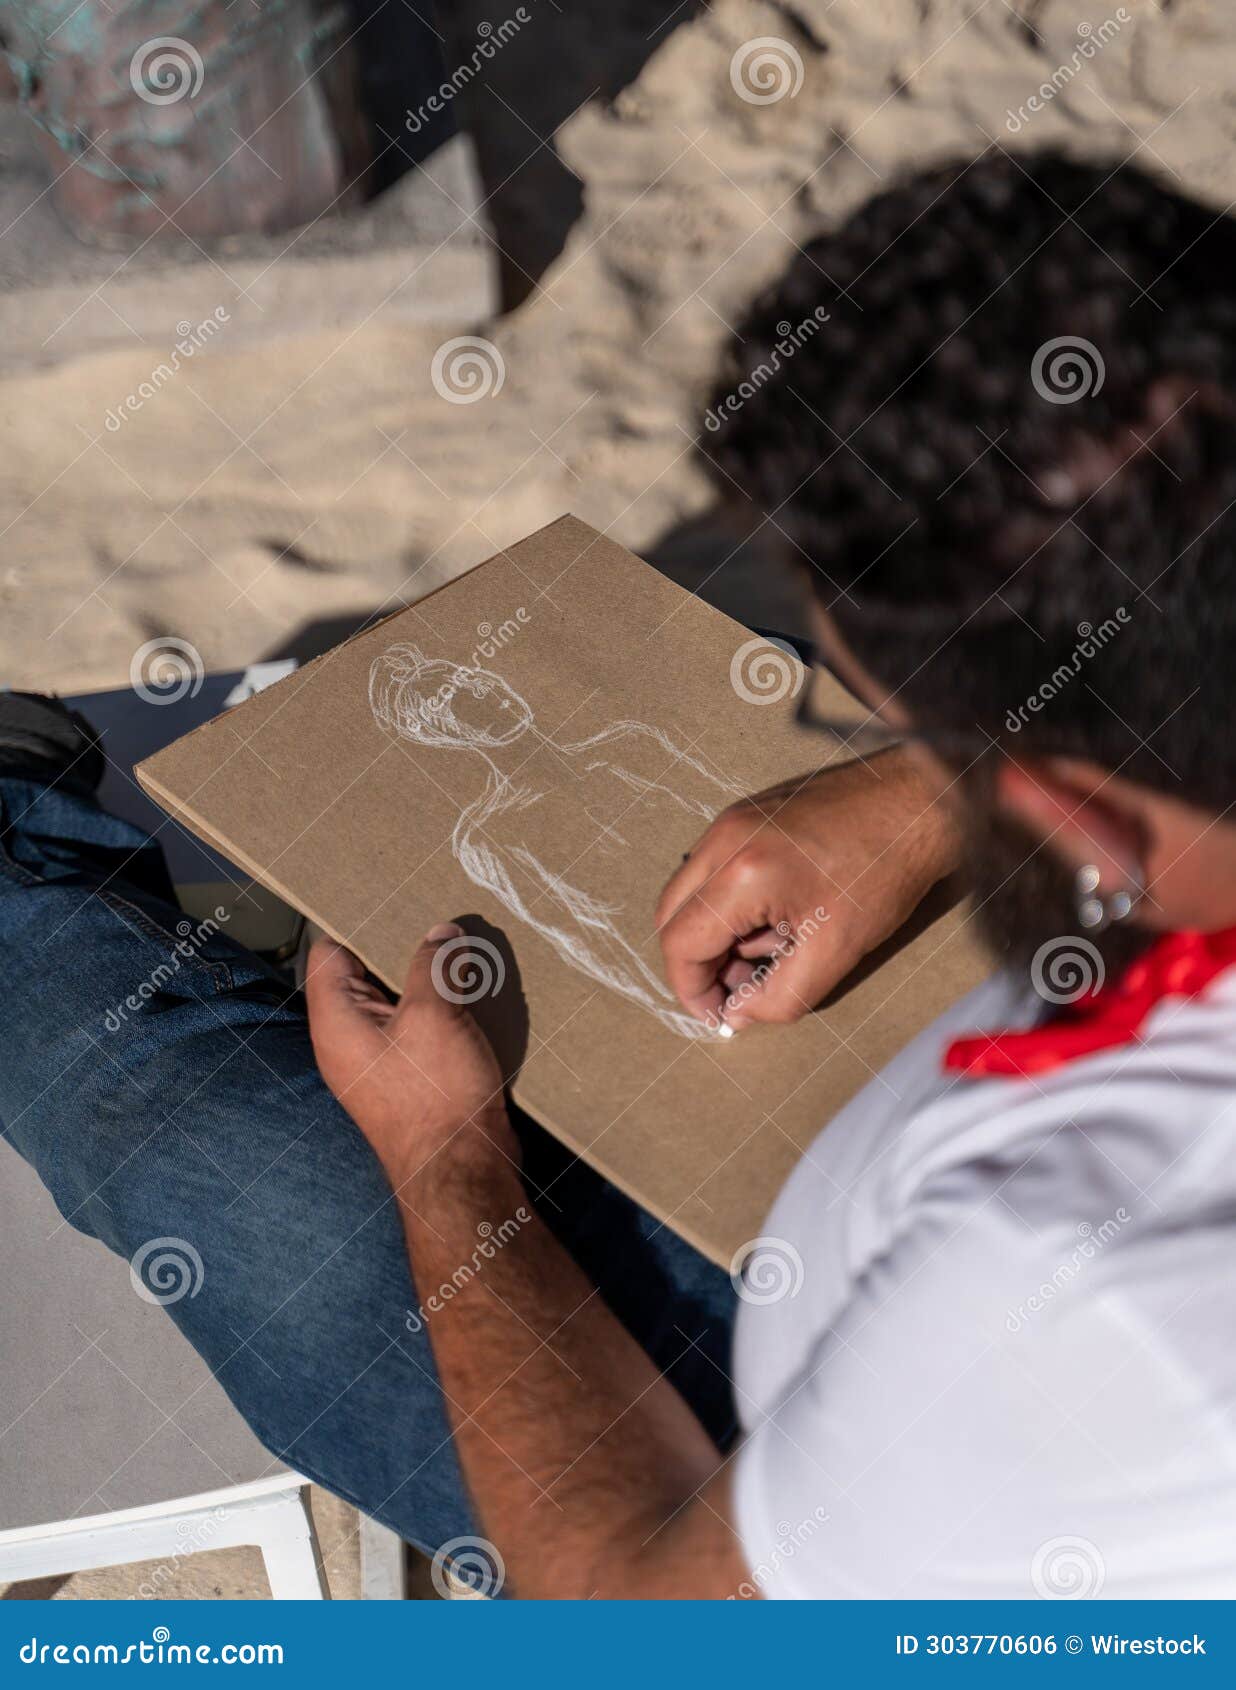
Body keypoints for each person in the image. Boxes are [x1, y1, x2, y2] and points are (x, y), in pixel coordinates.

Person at [4, 148, 1236, 1598]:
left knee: (218, 1168)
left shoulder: (1099, 1306)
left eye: (874, 710)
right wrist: (918, 792)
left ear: (1078, 816)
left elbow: (646, 1613)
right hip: (867, 1226)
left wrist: (446, 1163)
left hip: (722, 1492)